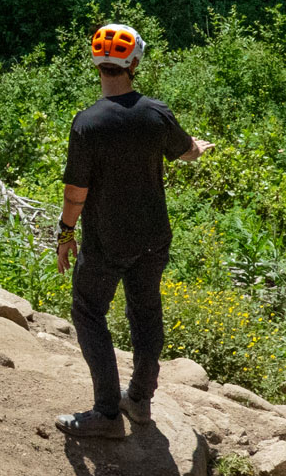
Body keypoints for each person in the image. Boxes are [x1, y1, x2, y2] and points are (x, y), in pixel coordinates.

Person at [54, 24, 212, 439]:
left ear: (97, 63)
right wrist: (197, 147)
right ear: (135, 64)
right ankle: (139, 401)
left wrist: (65, 234)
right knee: (145, 314)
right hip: (153, 236)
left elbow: (76, 192)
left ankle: (107, 414)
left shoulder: (87, 123)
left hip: (106, 240)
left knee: (89, 311)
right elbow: (188, 152)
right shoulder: (156, 113)